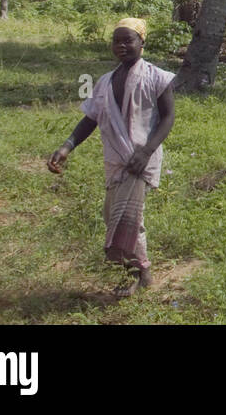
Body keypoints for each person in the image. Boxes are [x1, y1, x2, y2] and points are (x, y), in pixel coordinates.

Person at [47, 17, 176, 296]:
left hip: (140, 161)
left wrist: (146, 150)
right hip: (117, 162)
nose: (121, 46)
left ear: (142, 42)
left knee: (129, 219)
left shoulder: (157, 77)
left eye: (128, 40)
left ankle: (137, 275)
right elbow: (90, 119)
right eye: (116, 41)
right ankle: (141, 272)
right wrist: (67, 146)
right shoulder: (105, 82)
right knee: (111, 215)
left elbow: (168, 118)